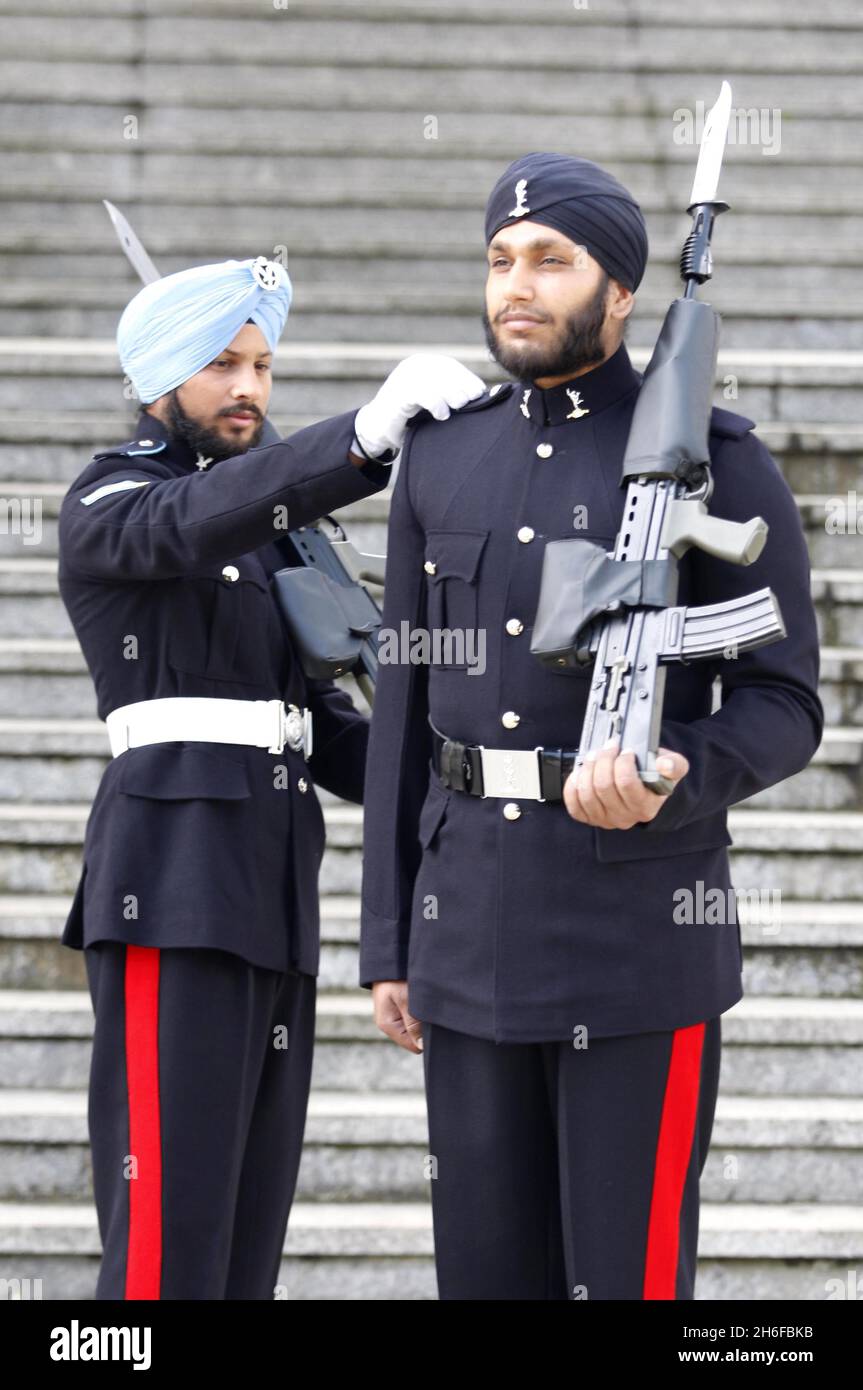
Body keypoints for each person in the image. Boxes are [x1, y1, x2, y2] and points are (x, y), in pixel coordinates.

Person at [359, 153, 824, 1300]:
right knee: (481, 1274)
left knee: (625, 1277)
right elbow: (401, 712)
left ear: (619, 293)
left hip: (636, 936)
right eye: (498, 260)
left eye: (549, 262)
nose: (515, 284)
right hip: (464, 932)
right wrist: (388, 939)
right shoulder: (442, 452)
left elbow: (786, 701)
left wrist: (678, 768)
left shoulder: (716, 460)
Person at [58, 253, 484, 1299]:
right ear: (159, 377)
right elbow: (190, 522)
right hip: (171, 890)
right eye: (220, 365)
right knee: (168, 1237)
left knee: (246, 1240)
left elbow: (330, 731)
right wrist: (354, 440)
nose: (248, 388)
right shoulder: (113, 499)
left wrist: (461, 785)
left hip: (272, 898)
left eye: (260, 364)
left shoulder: (268, 537)